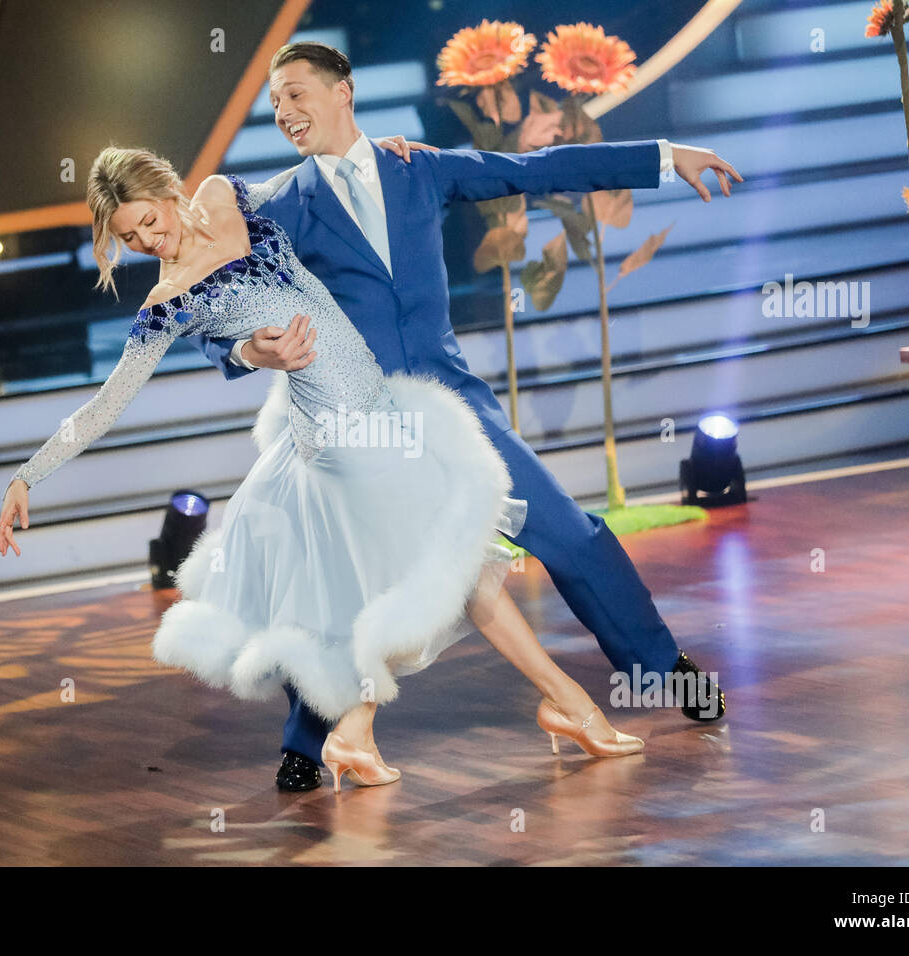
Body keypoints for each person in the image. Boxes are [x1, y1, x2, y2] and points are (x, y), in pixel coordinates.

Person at [0, 144, 645, 793]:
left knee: (460, 580)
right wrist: (29, 474)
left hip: (379, 411)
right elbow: (106, 402)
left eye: (148, 222)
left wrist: (374, 146)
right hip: (342, 441)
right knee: (455, 576)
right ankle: (562, 709)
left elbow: (311, 180)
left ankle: (368, 734)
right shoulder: (170, 298)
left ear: (169, 192)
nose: (146, 241)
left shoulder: (226, 196)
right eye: (130, 237)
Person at [192, 42, 740, 791]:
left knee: (570, 536)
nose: (285, 113)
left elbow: (537, 171)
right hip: (359, 423)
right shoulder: (278, 206)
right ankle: (307, 738)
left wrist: (666, 153)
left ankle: (661, 669)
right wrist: (249, 349)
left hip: (452, 404)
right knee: (336, 580)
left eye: (296, 94)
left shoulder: (419, 170)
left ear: (343, 90)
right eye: (274, 104)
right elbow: (212, 300)